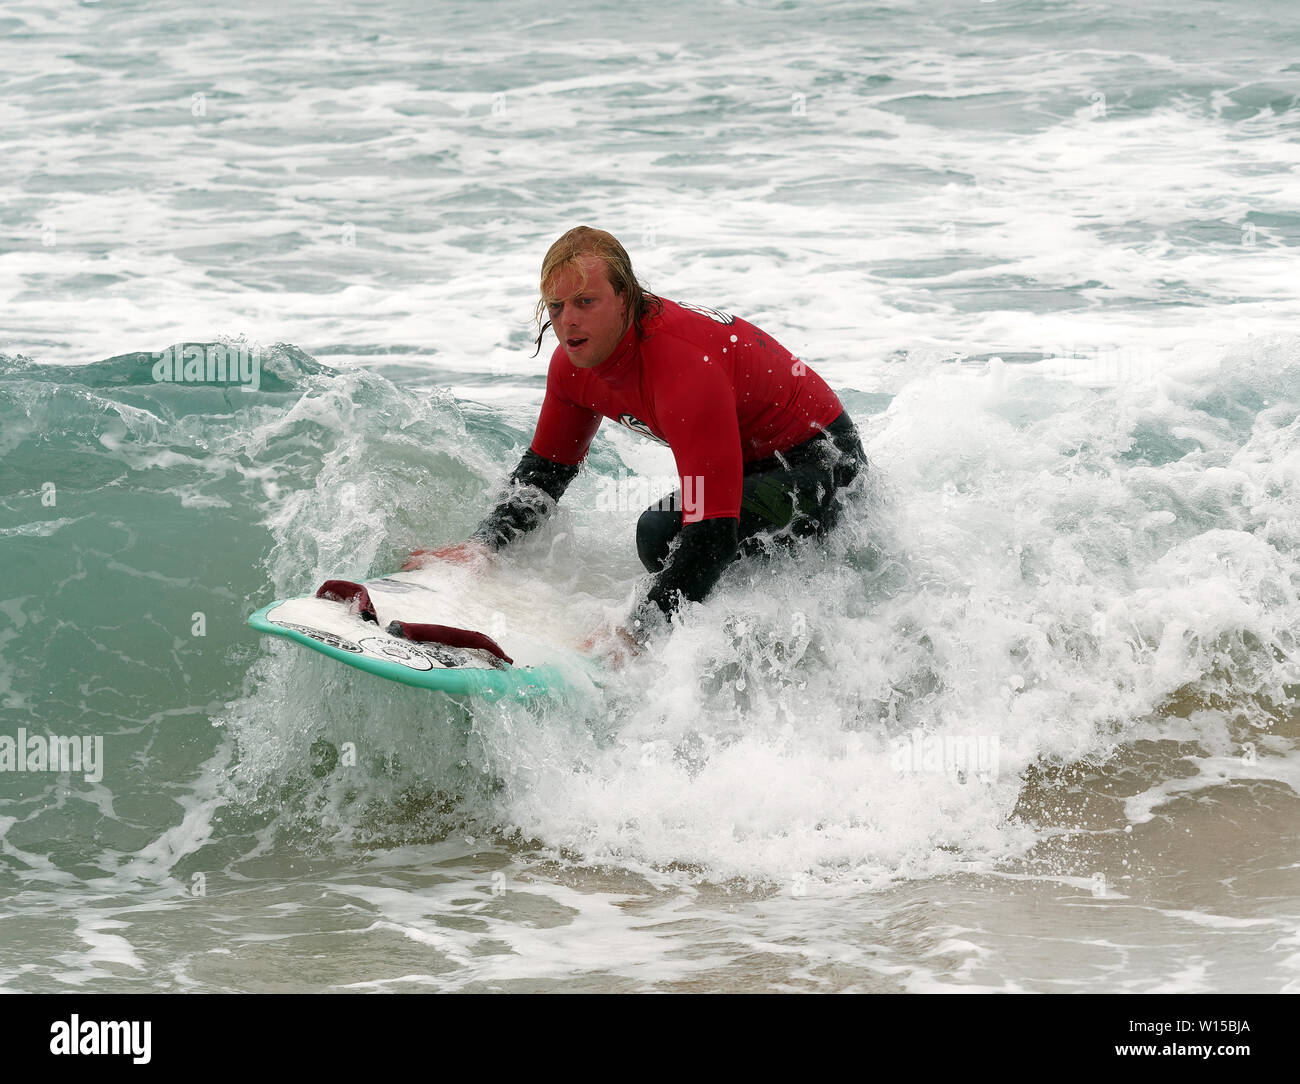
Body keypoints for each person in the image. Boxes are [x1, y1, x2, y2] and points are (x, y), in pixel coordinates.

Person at [406, 226, 866, 662]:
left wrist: (636, 632)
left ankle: (786, 637)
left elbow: (711, 534)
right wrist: (482, 547)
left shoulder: (682, 369)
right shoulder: (574, 368)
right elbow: (545, 473)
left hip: (823, 464)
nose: (568, 322)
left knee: (665, 535)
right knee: (666, 539)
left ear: (627, 296)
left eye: (586, 302)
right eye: (556, 306)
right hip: (750, 466)